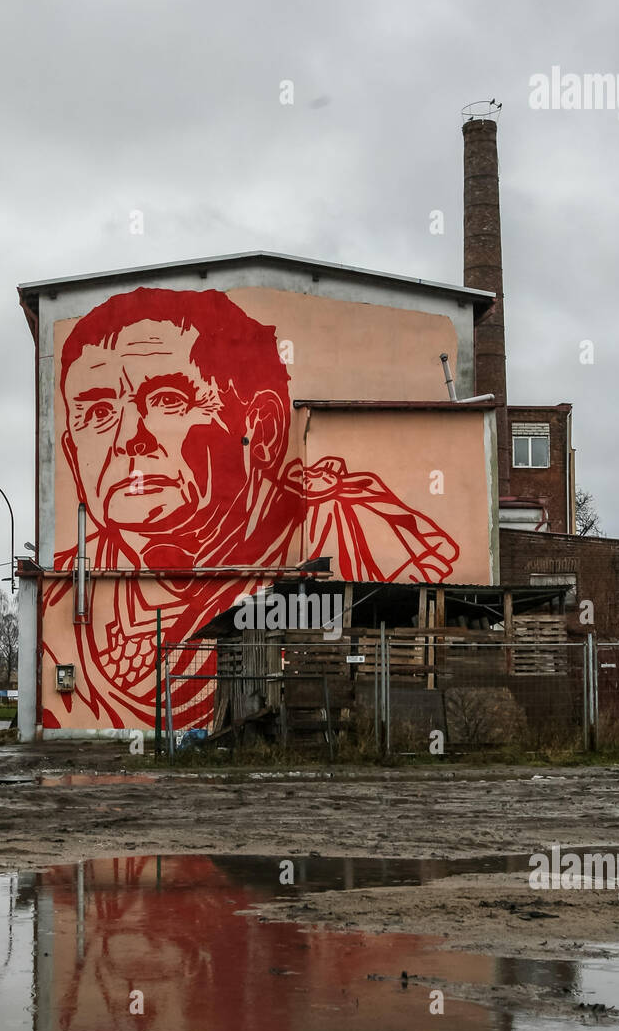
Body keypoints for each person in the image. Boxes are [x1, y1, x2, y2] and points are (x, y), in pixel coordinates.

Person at [43, 286, 459, 731]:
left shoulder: (350, 529)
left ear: (262, 428)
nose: (130, 438)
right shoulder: (61, 590)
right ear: (70, 450)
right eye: (100, 411)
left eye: (168, 401)